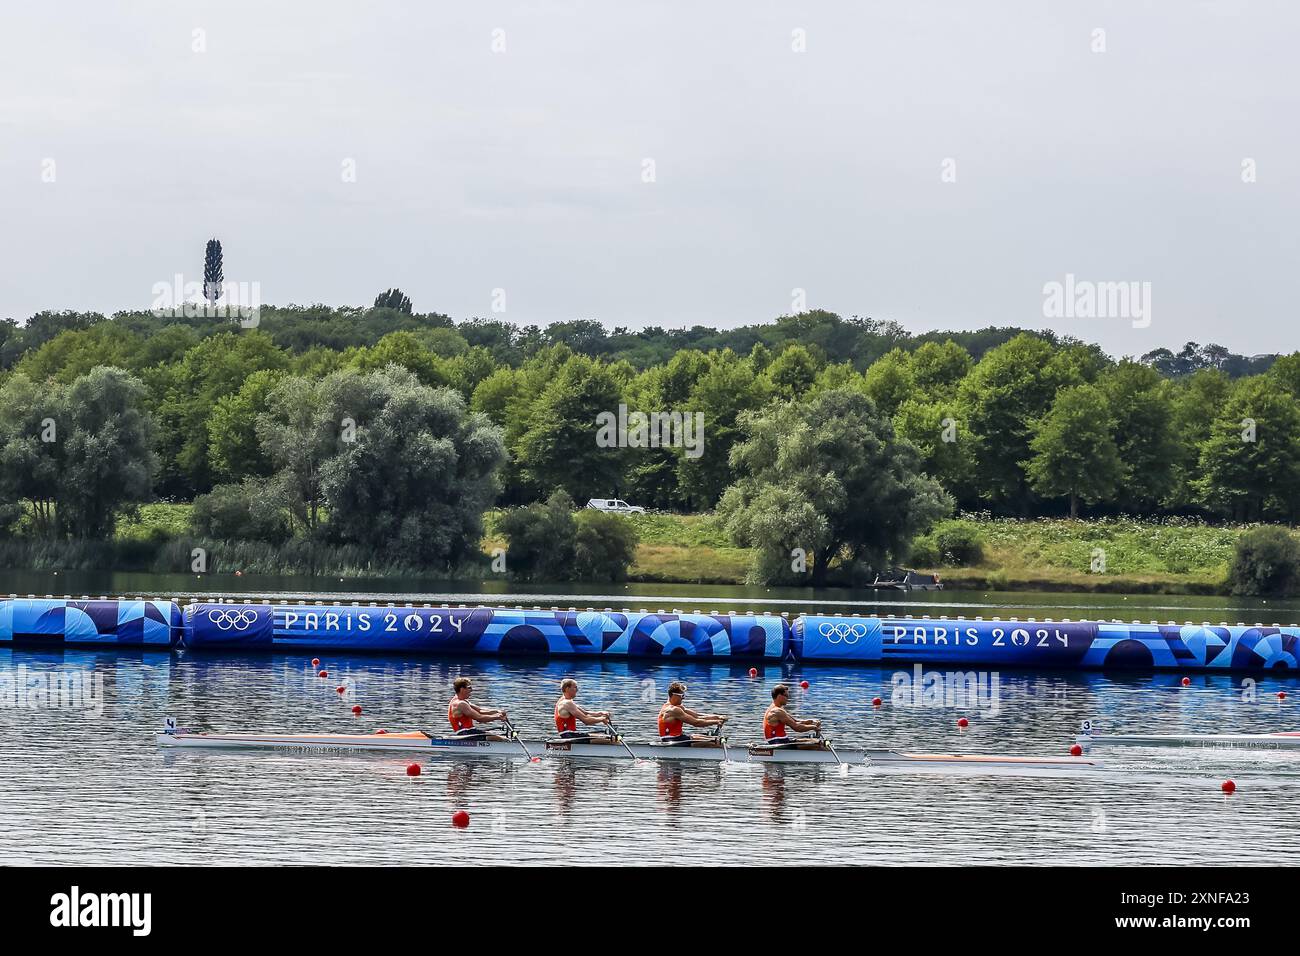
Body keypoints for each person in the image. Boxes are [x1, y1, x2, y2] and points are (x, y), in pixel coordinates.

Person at [657, 681, 727, 743]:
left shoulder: (678, 707)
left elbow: (697, 716)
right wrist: (716, 722)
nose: (683, 698)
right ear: (674, 695)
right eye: (682, 695)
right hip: (672, 740)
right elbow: (696, 722)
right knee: (715, 742)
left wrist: (718, 717)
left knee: (713, 739)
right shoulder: (673, 710)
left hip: (678, 737)